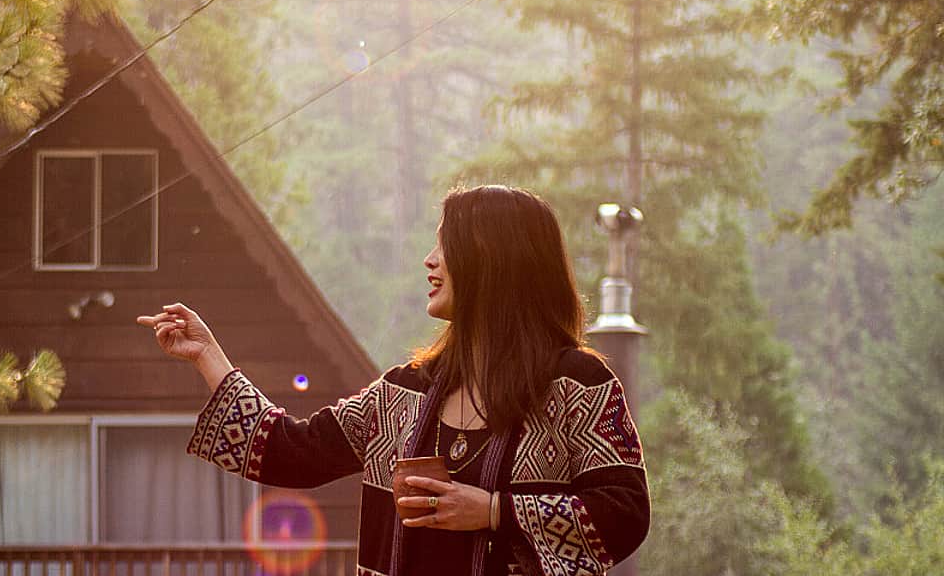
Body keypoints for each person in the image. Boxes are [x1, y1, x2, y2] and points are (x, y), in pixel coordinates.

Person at [137, 185, 649, 576]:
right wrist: (208, 356)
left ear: (493, 262)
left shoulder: (577, 384)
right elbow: (289, 452)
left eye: (446, 246)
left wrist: (493, 511)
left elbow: (626, 514)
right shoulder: (406, 392)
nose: (429, 261)